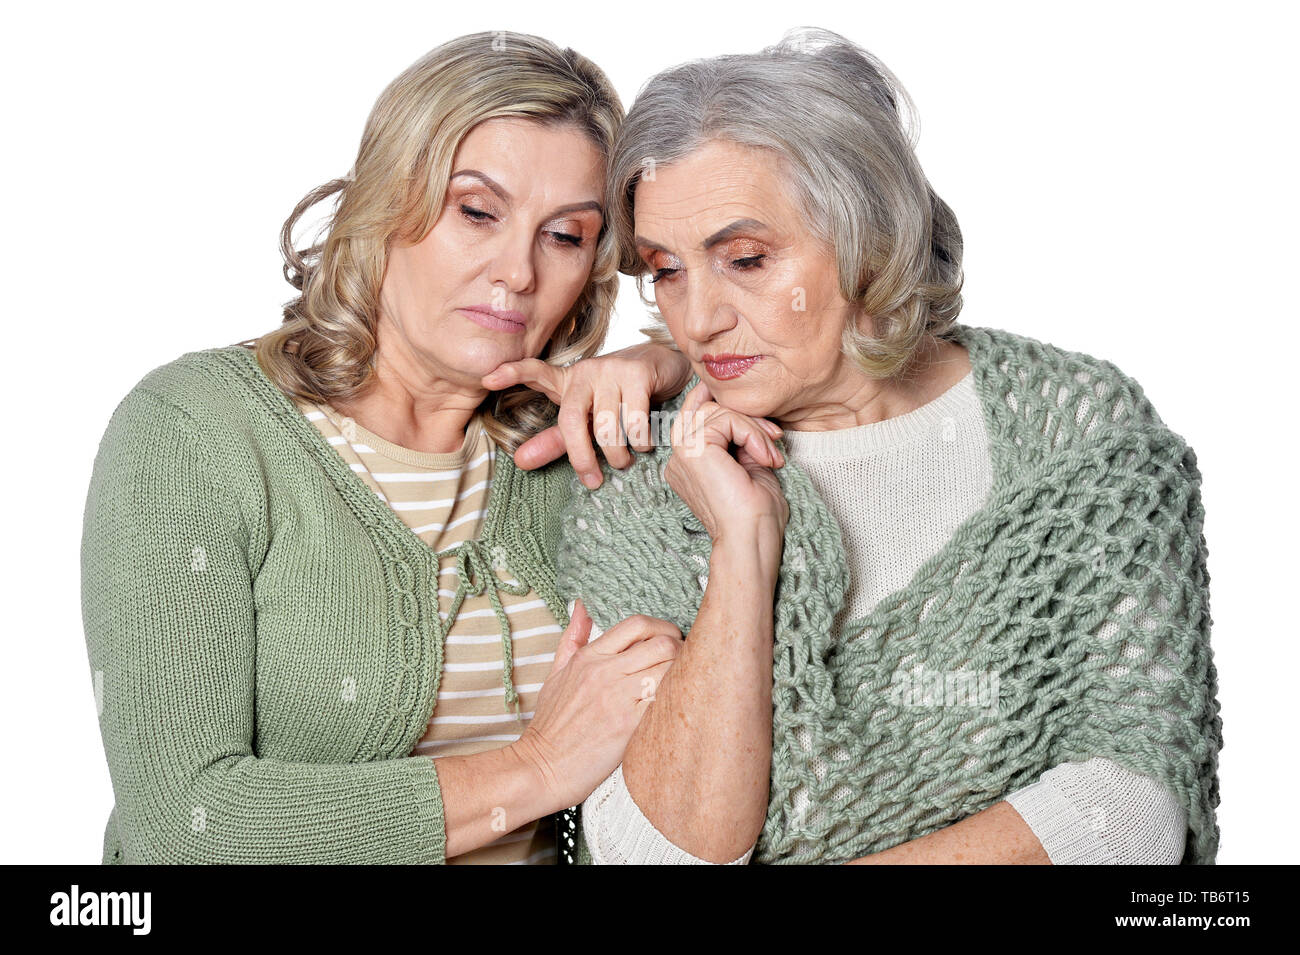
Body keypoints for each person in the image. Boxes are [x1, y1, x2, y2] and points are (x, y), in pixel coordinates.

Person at [555, 27, 1222, 864]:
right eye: (669, 270)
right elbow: (648, 853)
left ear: (869, 235)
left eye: (747, 259)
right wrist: (742, 550)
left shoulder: (1082, 440)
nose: (698, 319)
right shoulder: (639, 472)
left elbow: (1128, 815)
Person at [80, 30, 692, 865]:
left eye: (565, 236)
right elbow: (186, 818)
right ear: (386, 201)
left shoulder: (571, 450)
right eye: (477, 210)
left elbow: (824, 372)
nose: (516, 271)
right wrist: (538, 767)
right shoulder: (197, 431)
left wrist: (670, 360)